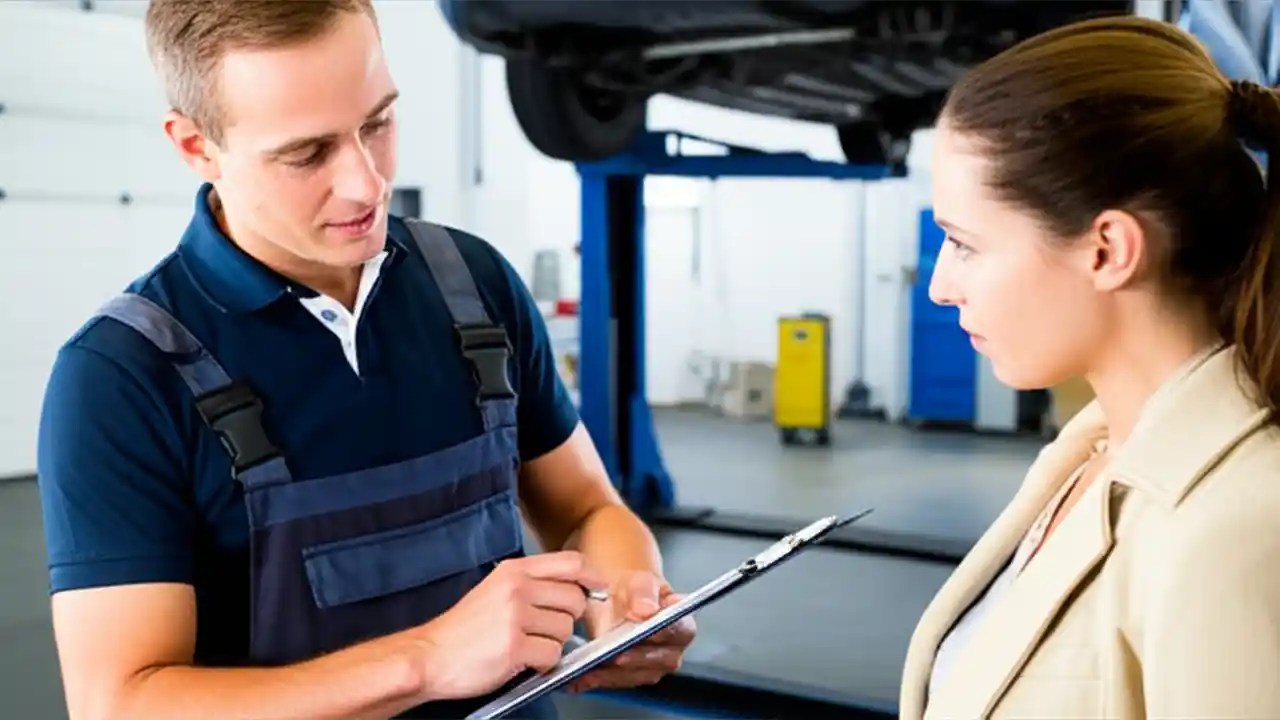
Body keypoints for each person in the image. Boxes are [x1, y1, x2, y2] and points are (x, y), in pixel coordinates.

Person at [35, 1, 695, 718]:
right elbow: (121, 704)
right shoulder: (120, 377)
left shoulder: (473, 283)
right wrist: (428, 660)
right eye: (307, 153)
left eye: (377, 123)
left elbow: (586, 508)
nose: (366, 183)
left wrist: (625, 595)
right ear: (196, 146)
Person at [898, 14, 1280, 720]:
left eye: (965, 244)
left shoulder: (1239, 532)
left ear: (1107, 250)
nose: (940, 286)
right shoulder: (1092, 455)